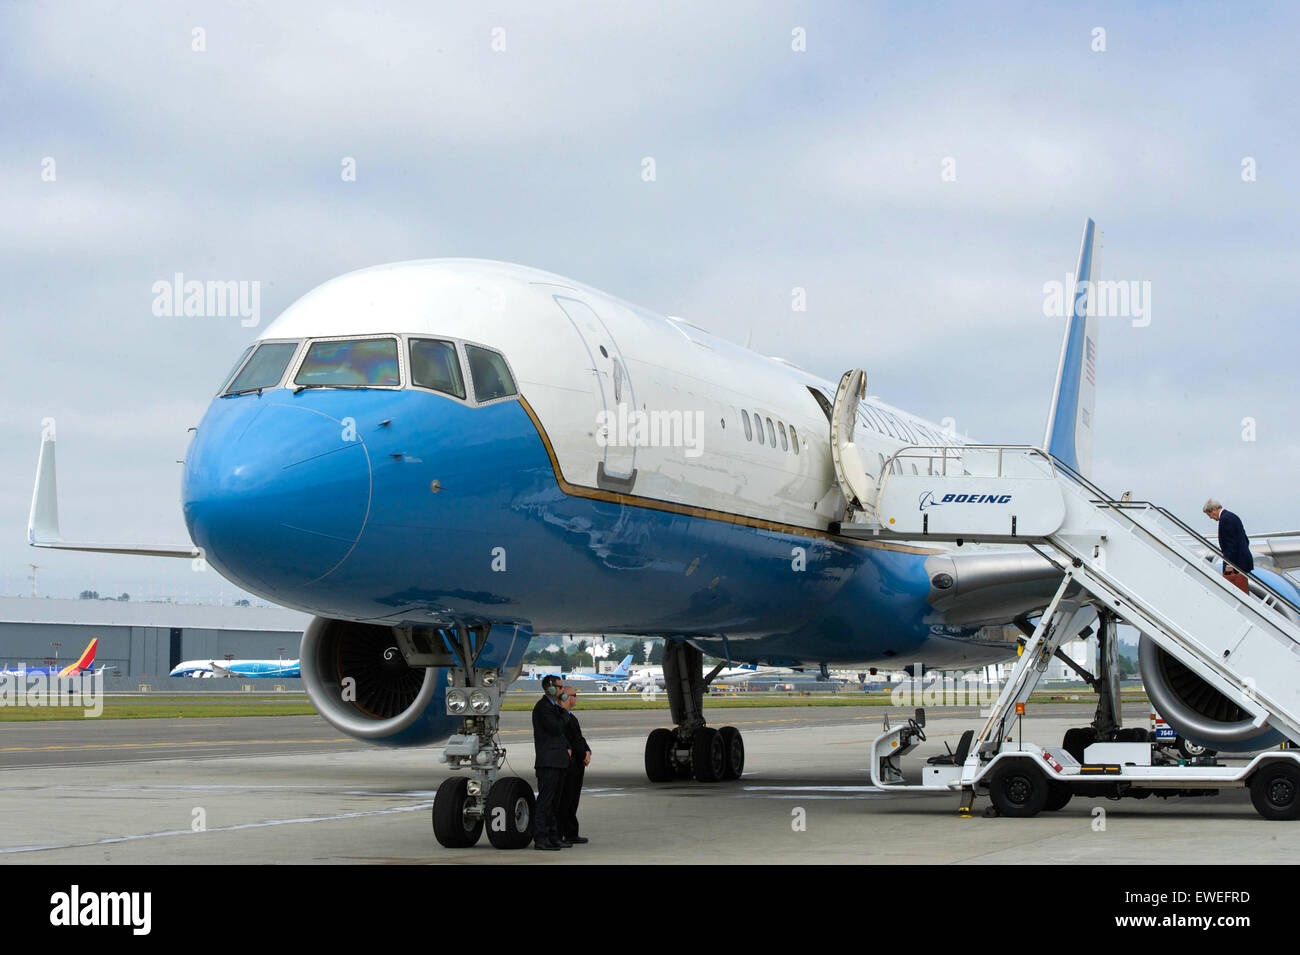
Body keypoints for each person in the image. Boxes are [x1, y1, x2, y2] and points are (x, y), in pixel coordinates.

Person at [532, 675, 572, 850]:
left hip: (559, 761)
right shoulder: (543, 708)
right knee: (545, 802)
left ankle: (553, 835)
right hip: (549, 761)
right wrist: (565, 711)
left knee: (555, 803)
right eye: (560, 687)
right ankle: (541, 838)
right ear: (551, 688)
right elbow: (556, 728)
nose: (563, 691)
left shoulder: (553, 707)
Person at [557, 684, 592, 845]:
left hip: (577, 763)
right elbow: (570, 741)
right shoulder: (562, 717)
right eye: (574, 695)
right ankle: (562, 833)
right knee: (565, 799)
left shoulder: (571, 717)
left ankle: (571, 832)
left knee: (573, 800)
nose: (576, 698)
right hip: (570, 764)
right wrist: (582, 754)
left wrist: (587, 751)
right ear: (566, 697)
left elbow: (580, 739)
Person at [1204, 498, 1253, 594]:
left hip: (1235, 564)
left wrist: (1229, 565)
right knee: (1243, 589)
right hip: (1242, 562)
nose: (1211, 518)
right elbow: (1245, 540)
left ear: (1214, 509)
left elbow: (1230, 545)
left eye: (1209, 514)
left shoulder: (1225, 519)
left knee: (1235, 593)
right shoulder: (1232, 516)